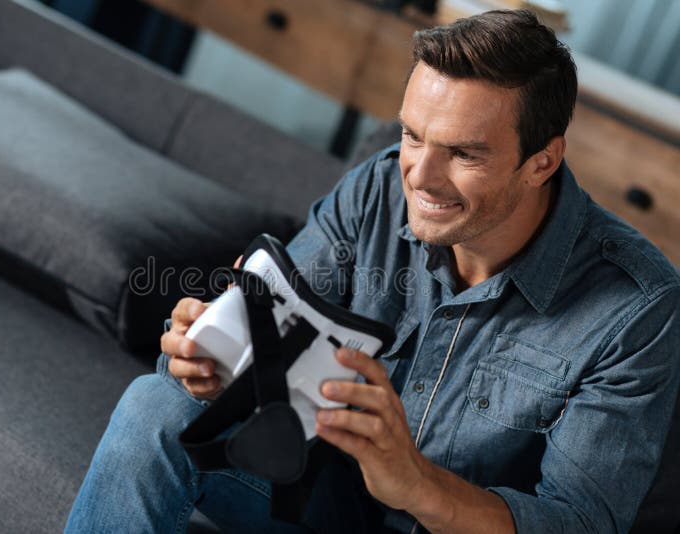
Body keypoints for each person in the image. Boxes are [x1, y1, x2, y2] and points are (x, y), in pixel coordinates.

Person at [65, 9, 680, 534]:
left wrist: (415, 484)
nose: (420, 176)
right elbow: (275, 350)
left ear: (541, 162)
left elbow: (576, 524)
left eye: (463, 153)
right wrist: (214, 363)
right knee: (157, 403)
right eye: (414, 136)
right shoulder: (380, 187)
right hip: (318, 494)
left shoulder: (637, 308)